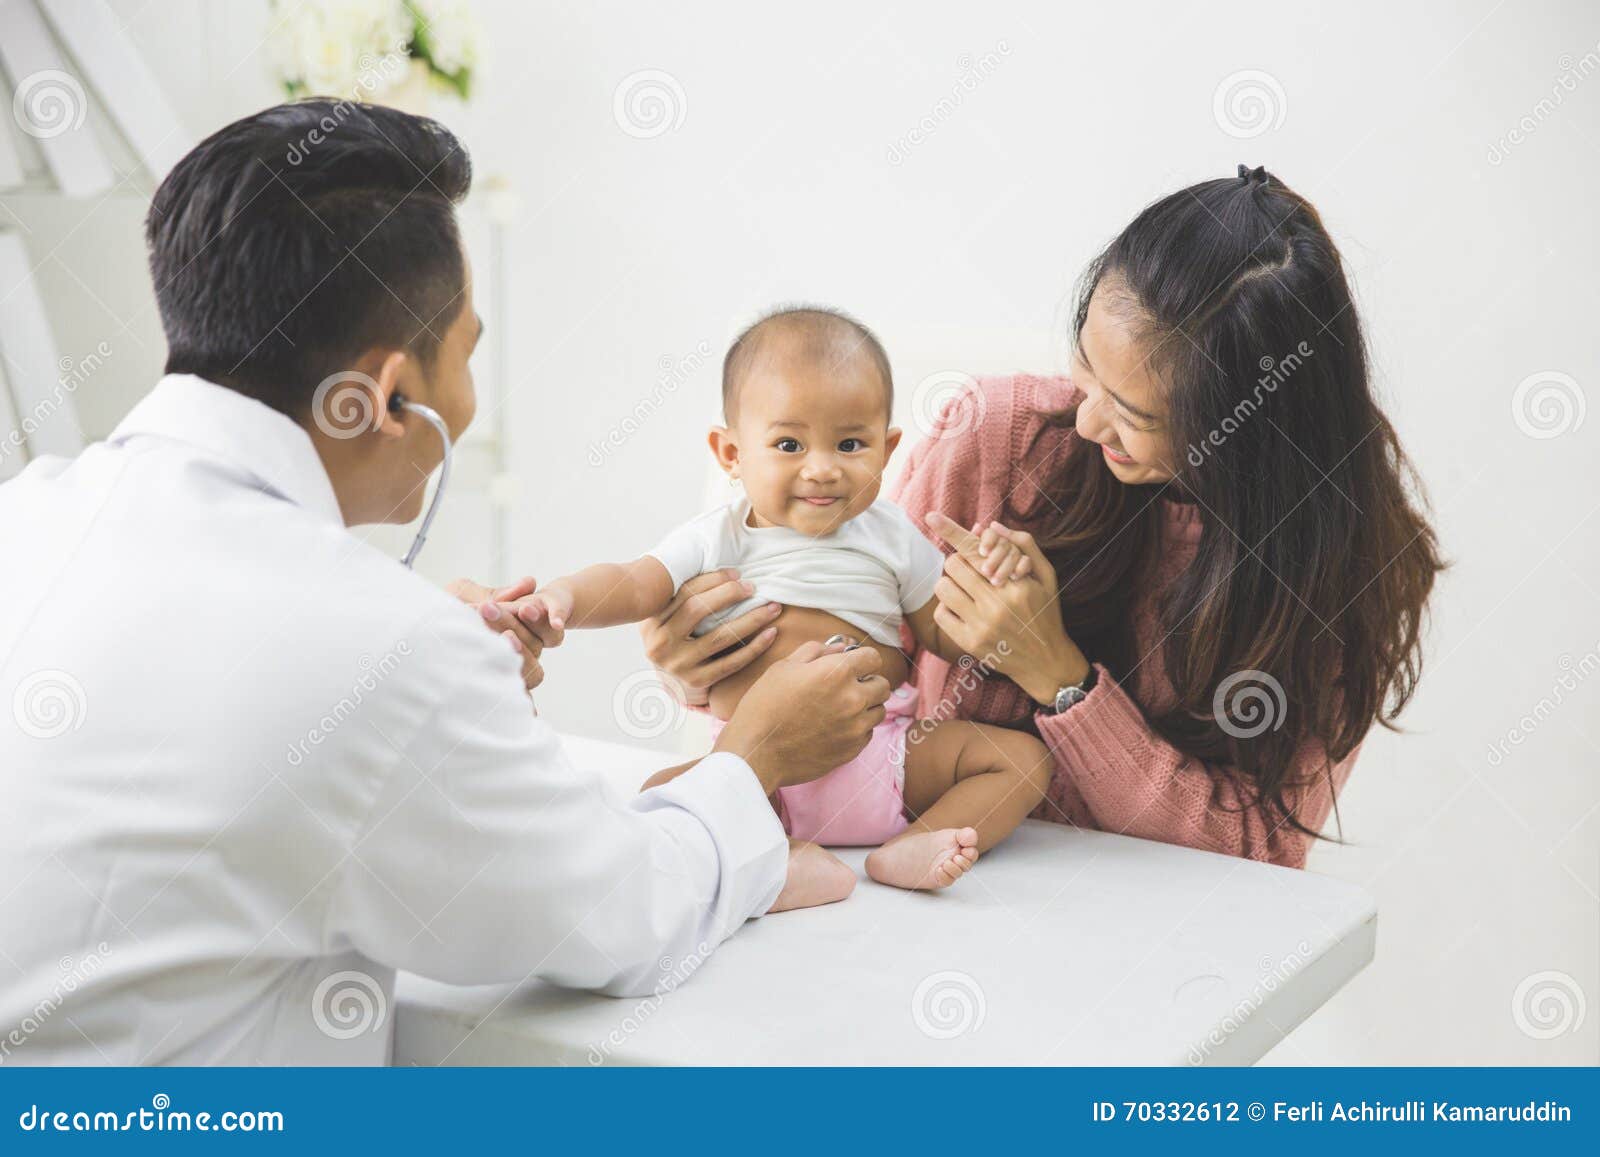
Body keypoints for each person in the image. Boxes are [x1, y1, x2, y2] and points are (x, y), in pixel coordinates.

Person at [0, 101, 889, 1066]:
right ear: (388, 398)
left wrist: (423, 677)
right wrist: (755, 754)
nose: (467, 397)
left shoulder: (25, 514)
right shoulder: (386, 653)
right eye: (467, 351)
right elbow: (625, 918)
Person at [643, 166, 1444, 870]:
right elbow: (856, 647)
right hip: (920, 903)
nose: (1087, 421)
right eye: (1086, 366)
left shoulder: (1344, 565)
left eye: (1135, 414)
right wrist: (704, 668)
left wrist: (1060, 678)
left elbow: (1260, 849)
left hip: (1152, 939)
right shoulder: (996, 438)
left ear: (1250, 427)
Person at [512, 307, 1051, 894]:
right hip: (759, 767)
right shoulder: (718, 536)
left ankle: (915, 846)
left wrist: (992, 590)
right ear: (731, 453)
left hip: (887, 753)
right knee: (659, 795)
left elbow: (945, 635)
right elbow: (634, 582)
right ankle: (781, 860)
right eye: (790, 444)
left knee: (1023, 760)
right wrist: (562, 598)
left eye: (850, 444)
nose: (822, 469)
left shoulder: (894, 535)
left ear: (887, 448)